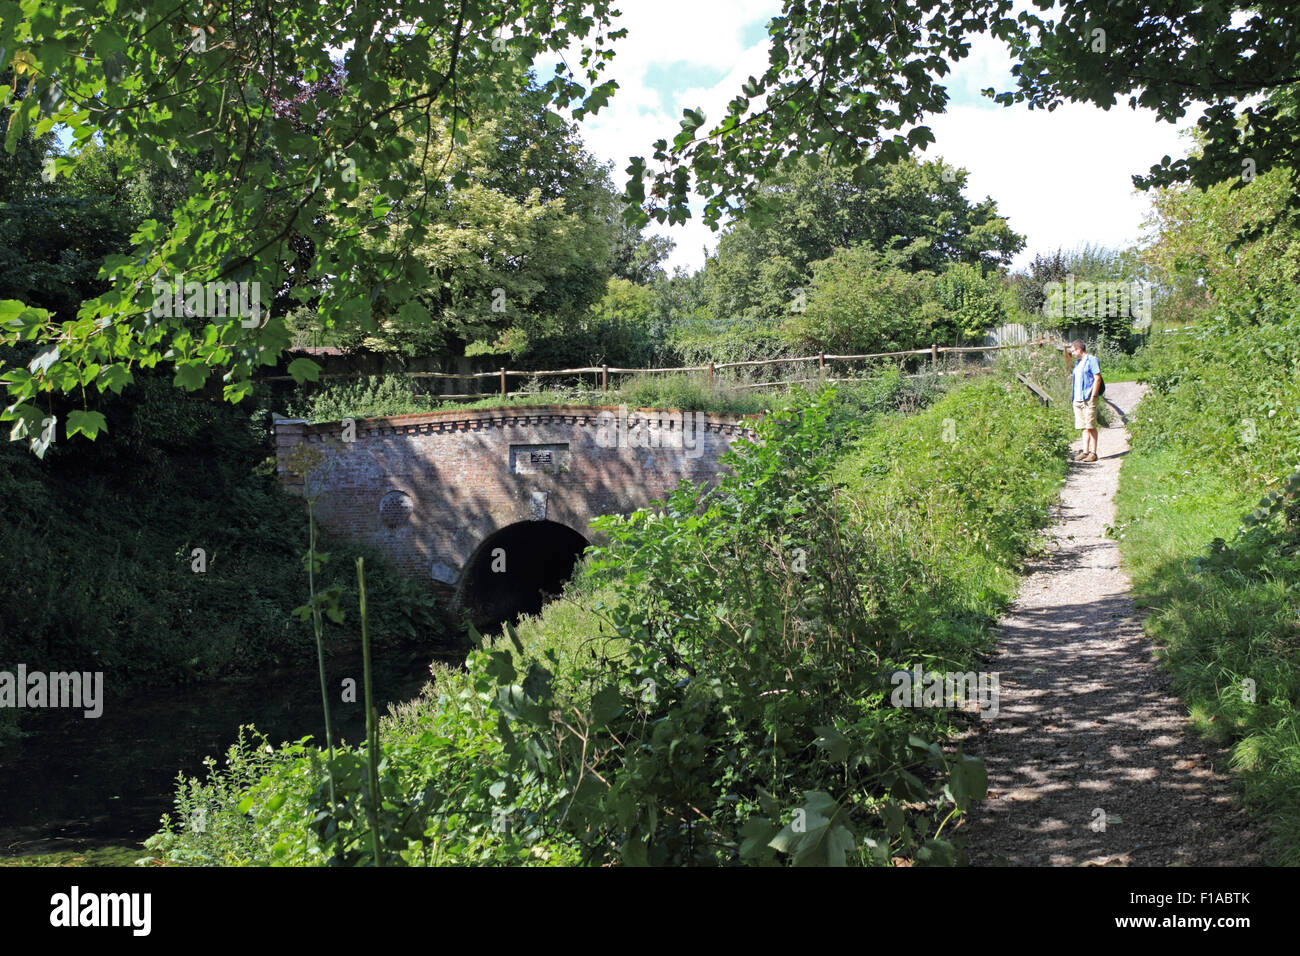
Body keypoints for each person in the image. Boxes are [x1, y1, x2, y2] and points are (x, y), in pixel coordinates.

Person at [1069, 339, 1101, 462]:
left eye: (1073, 351)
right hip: (1077, 399)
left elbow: (1097, 378)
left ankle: (1093, 453)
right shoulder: (1078, 363)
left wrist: (1093, 396)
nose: (1072, 353)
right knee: (1083, 427)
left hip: (1088, 398)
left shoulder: (1092, 360)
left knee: (1091, 426)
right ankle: (1085, 451)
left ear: (1079, 349)